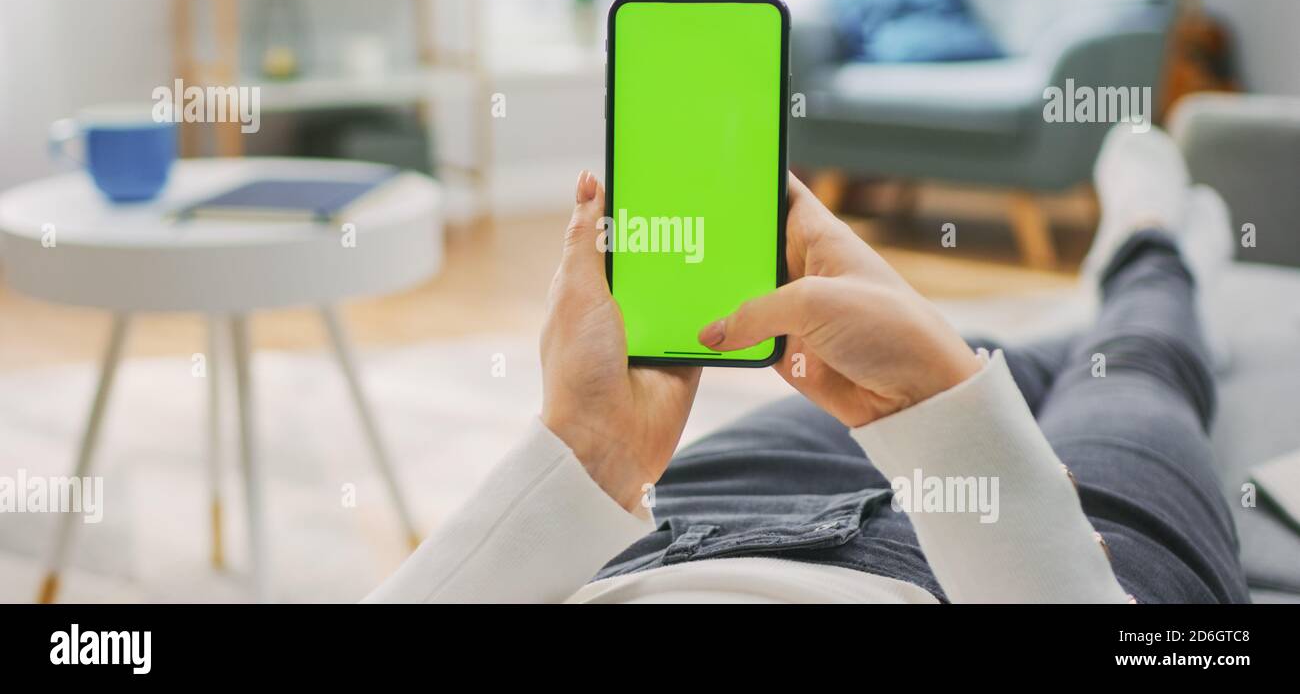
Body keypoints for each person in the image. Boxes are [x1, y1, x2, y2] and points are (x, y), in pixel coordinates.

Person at [365, 126, 1250, 603]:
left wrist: (591, 448)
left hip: (674, 540)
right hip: (1029, 578)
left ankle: (1077, 314)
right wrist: (949, 411)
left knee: (1005, 357)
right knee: (1137, 366)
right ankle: (1148, 248)